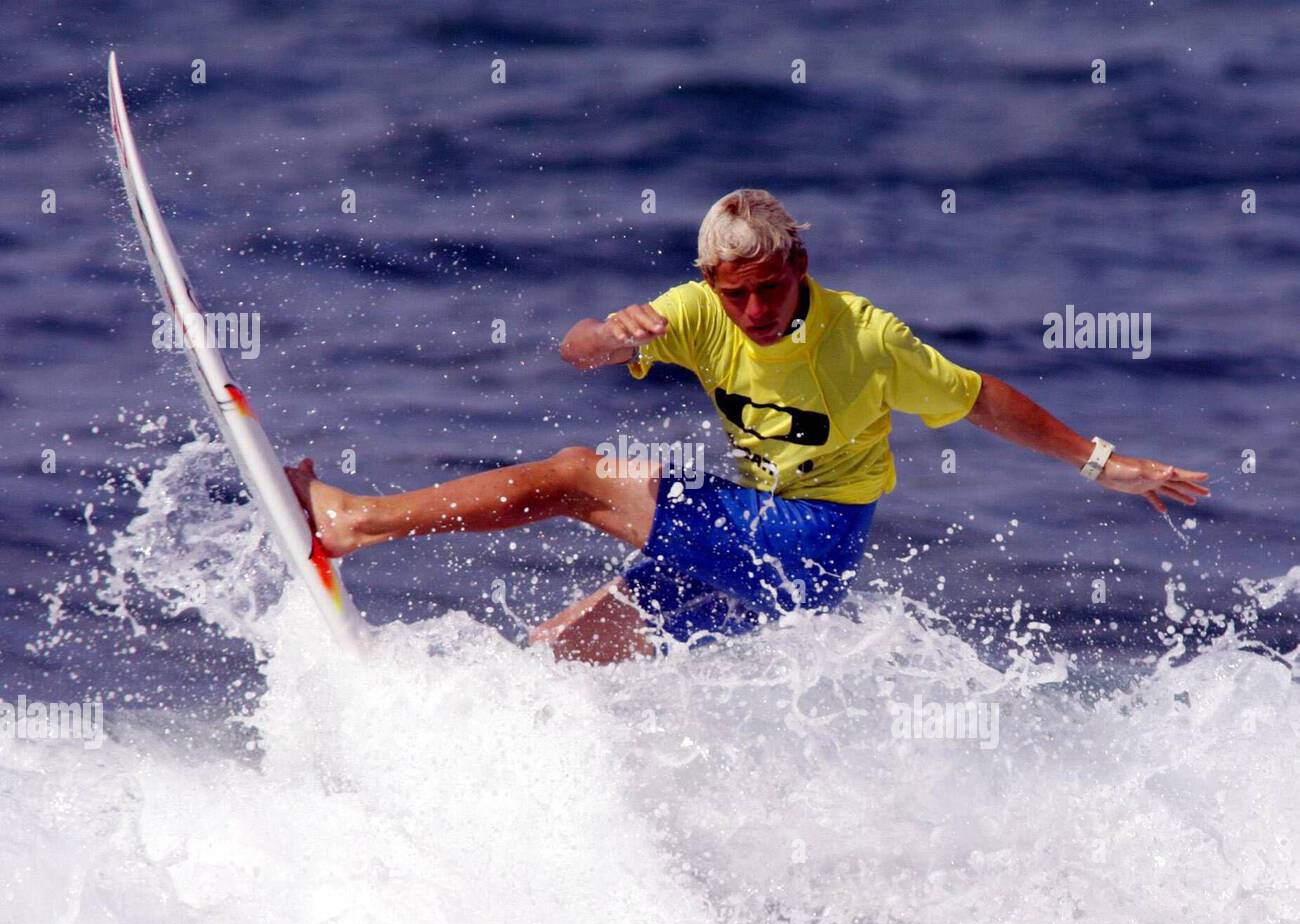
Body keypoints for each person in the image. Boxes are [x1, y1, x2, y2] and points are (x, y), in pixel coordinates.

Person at [285, 189, 1210, 664]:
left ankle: (353, 521)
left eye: (772, 286)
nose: (758, 309)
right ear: (711, 283)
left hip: (807, 544)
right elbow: (574, 350)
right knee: (564, 657)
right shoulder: (693, 311)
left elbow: (981, 397)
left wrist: (1100, 462)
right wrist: (611, 336)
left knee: (576, 475)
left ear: (799, 262)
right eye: (739, 294)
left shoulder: (866, 336)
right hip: (755, 547)